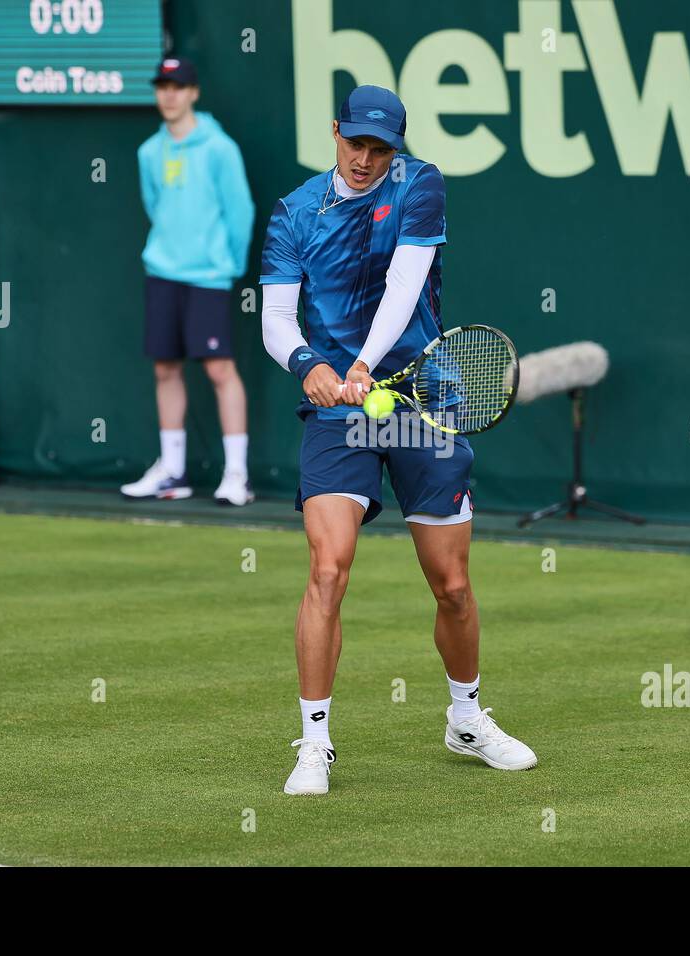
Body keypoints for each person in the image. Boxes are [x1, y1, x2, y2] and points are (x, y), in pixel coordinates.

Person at [259, 85, 538, 796]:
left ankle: (467, 720)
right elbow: (276, 321)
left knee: (451, 586)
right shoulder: (294, 214)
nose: (365, 159)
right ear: (335, 134)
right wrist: (308, 365)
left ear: (397, 149)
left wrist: (356, 364)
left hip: (422, 399)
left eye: (380, 148)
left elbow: (405, 286)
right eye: (355, 143)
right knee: (329, 569)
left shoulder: (421, 185)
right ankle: (314, 744)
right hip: (340, 415)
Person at [121, 57, 256, 505]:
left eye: (178, 87)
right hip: (163, 272)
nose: (170, 94)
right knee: (165, 367)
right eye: (162, 86)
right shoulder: (147, 152)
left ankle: (237, 474)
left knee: (219, 369)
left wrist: (227, 264)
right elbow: (153, 204)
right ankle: (172, 472)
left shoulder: (221, 149)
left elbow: (240, 212)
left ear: (193, 92)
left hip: (209, 276)